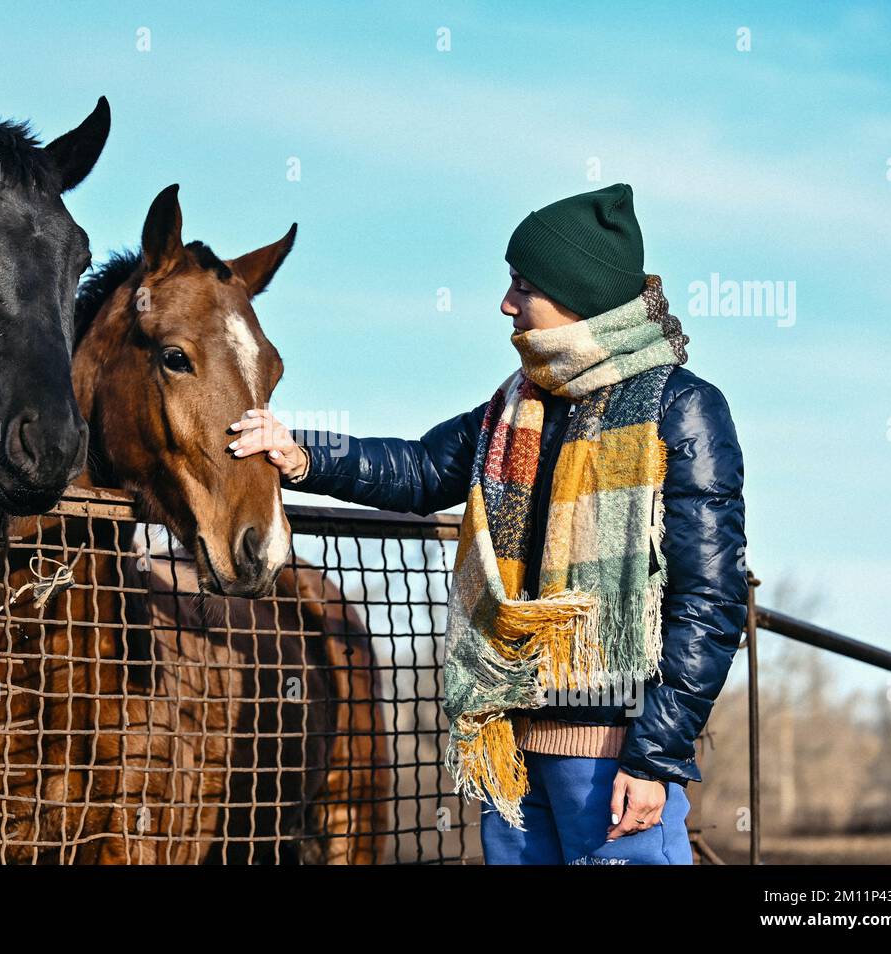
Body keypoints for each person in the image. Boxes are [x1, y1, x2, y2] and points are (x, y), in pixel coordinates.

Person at [228, 183, 748, 865]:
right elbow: (420, 468)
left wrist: (655, 759)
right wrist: (299, 453)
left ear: (577, 294)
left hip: (615, 764)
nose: (507, 303)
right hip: (509, 753)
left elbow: (709, 602)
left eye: (522, 285)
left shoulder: (683, 410)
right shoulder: (514, 407)